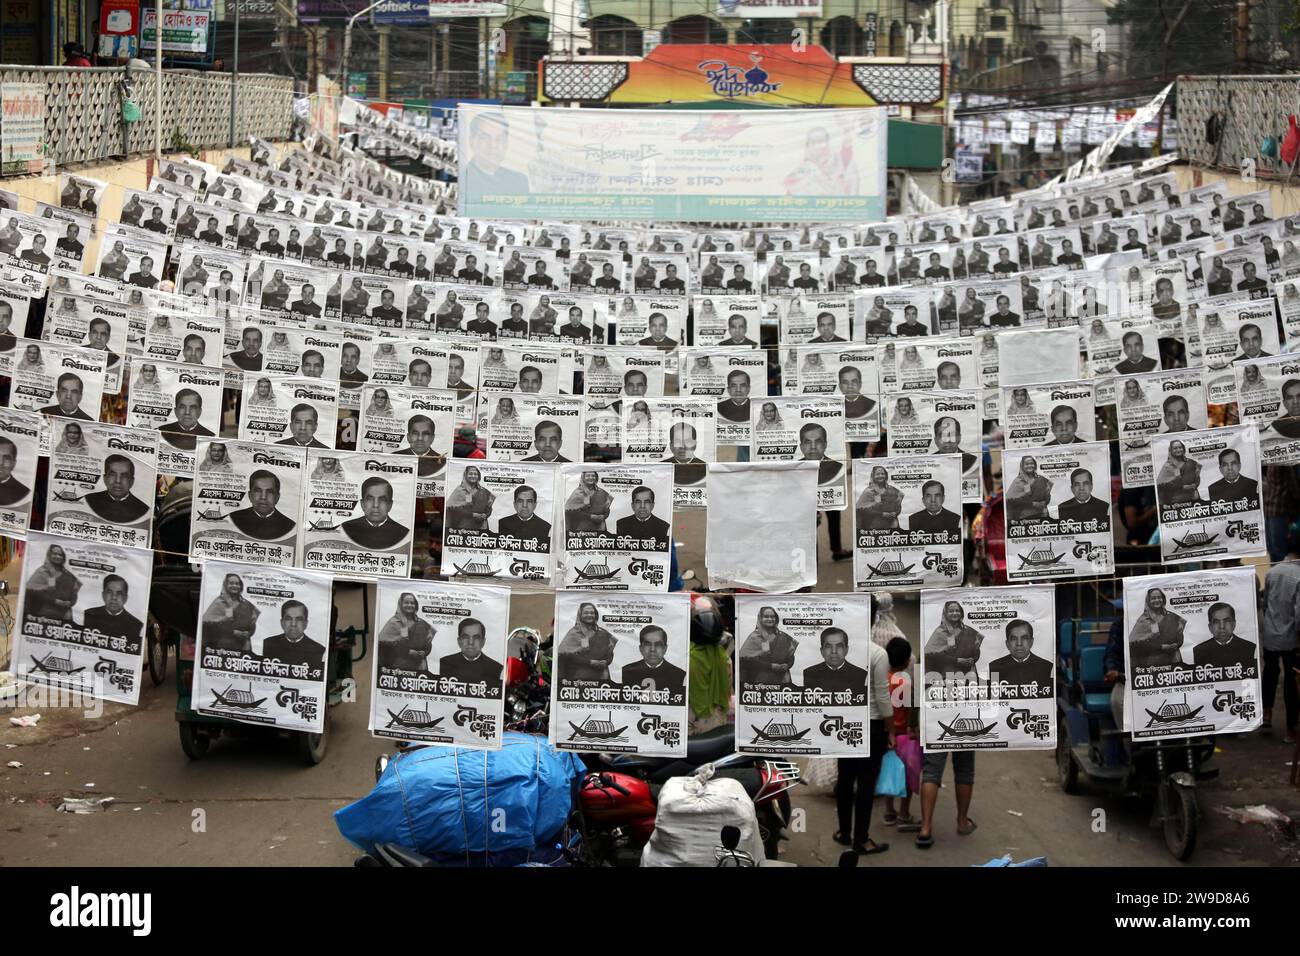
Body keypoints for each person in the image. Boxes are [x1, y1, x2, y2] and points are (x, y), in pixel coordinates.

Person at [831, 636, 892, 857]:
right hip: (872, 726)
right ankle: (861, 840)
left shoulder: (837, 651)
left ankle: (844, 832)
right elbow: (883, 696)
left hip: (845, 722)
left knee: (845, 780)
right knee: (866, 785)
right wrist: (891, 729)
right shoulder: (877, 653)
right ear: (874, 618)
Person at [1261, 533, 1300, 741]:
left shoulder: (1271, 573)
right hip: (1291, 637)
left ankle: (1266, 714)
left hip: (1271, 634)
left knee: (1270, 674)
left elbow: (1265, 603)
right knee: (1291, 682)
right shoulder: (1299, 575)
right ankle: (1291, 728)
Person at [341, 477, 409, 550]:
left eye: (382, 499)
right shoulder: (345, 529)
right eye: (370, 499)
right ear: (362, 504)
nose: (376, 505)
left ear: (390, 505)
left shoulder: (404, 533)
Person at [1127, 587, 1186, 670]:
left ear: (1163, 599)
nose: (1157, 600)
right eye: (1153, 598)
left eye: (1159, 597)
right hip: (1151, 664)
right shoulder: (1144, 620)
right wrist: (1161, 647)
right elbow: (1136, 644)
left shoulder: (1172, 617)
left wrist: (1176, 645)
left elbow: (1180, 636)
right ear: (1148, 601)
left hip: (1173, 661)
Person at [738, 606, 798, 687]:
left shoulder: (783, 636)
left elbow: (791, 657)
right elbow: (746, 661)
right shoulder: (754, 637)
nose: (770, 619)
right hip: (760, 682)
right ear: (760, 619)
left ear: (776, 619)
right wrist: (771, 666)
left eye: (772, 617)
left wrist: (787, 665)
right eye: (766, 616)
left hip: (782, 681)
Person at [201, 572, 259, 654]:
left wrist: (248, 633)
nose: (234, 586)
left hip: (242, 647)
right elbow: (208, 624)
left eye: (237, 584)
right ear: (225, 585)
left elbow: (253, 624)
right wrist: (233, 632)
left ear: (241, 586)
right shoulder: (219, 602)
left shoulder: (247, 604)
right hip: (221, 646)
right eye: (231, 583)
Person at [228, 469, 296, 540]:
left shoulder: (289, 526)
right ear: (250, 495)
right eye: (258, 491)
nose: (263, 497)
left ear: (277, 497)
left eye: (270, 492)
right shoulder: (234, 518)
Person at [557, 602, 616, 682]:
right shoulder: (573, 633)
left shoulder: (603, 633)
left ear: (596, 615)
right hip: (578, 678)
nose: (589, 615)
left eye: (592, 613)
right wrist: (590, 662)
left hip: (601, 679)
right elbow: (564, 656)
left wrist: (606, 662)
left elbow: (610, 653)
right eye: (586, 613)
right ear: (580, 615)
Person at [987, 619, 1053, 690]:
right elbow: (993, 696)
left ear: (1031, 642)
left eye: (1024, 638)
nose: (1019, 644)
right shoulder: (994, 667)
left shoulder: (1046, 667)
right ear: (1007, 644)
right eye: (1014, 639)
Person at [621, 625, 685, 697]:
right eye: (647, 644)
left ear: (665, 648)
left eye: (658, 645)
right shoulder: (626, 672)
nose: (652, 649)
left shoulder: (678, 674)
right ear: (641, 648)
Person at [261, 600, 326, 670]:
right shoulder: (268, 644)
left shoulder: (318, 649)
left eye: (299, 619)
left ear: (306, 623)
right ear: (282, 622)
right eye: (288, 619)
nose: (293, 624)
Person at [924, 600, 982, 679]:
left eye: (957, 611)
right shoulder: (940, 632)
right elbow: (932, 656)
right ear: (945, 614)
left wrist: (973, 659)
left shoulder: (969, 630)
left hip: (968, 673)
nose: (954, 613)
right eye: (951, 611)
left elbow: (976, 651)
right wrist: (957, 660)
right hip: (946, 674)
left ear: (961, 613)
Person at [438, 617, 503, 686]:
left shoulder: (496, 668)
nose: (471, 642)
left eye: (476, 637)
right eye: (466, 637)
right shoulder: (445, 663)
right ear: (459, 641)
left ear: (483, 642)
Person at [24, 543, 80, 623]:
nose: (58, 557)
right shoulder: (42, 572)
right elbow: (33, 592)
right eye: (55, 554)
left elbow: (74, 593)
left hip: (64, 615)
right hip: (43, 614)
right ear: (49, 555)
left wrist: (70, 603)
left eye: (60, 555)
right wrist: (55, 601)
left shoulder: (68, 574)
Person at [1192, 603, 1258, 670]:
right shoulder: (1199, 651)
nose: (1222, 626)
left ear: (1234, 624)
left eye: (1227, 621)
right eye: (1216, 622)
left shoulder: (1249, 648)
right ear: (1210, 627)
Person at [496, 484, 551, 550]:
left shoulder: (545, 527)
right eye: (520, 501)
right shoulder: (504, 523)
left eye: (529, 501)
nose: (524, 505)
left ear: (535, 505)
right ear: (515, 504)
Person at [445, 465, 495, 531]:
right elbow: (452, 509)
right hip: (463, 527)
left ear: (478, 476)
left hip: (481, 527)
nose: (473, 476)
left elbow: (489, 508)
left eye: (475, 474)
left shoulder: (484, 491)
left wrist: (485, 515)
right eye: (470, 474)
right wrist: (473, 515)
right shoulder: (460, 490)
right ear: (465, 475)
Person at [1005, 455, 1052, 521]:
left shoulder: (1041, 479)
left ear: (1035, 465)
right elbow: (1010, 500)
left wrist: (1045, 500)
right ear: (1022, 466)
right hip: (1024, 517)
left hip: (1042, 514)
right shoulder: (1018, 481)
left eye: (1031, 463)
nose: (1029, 466)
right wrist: (1032, 504)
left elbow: (1047, 497)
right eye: (1027, 464)